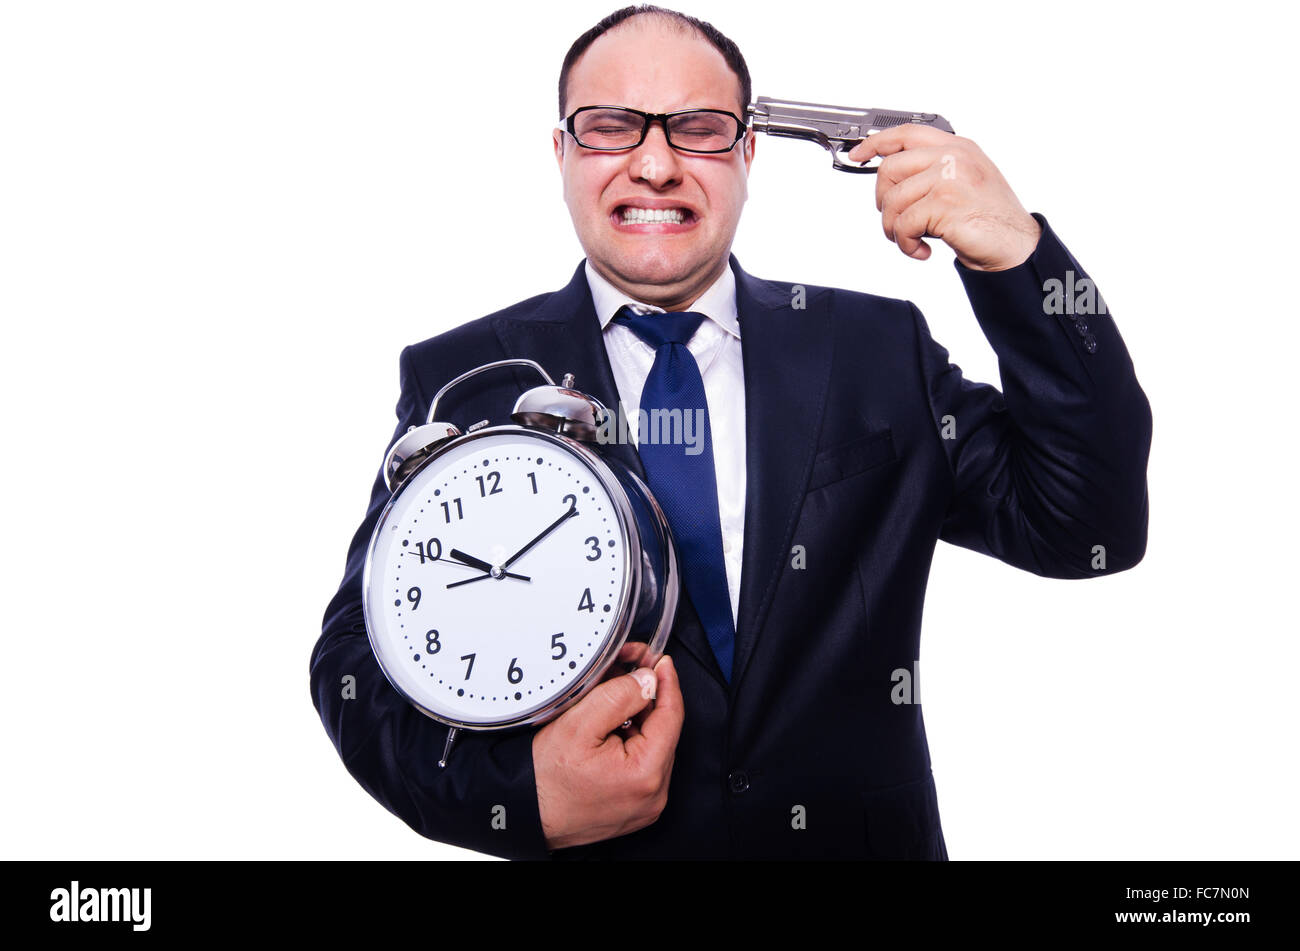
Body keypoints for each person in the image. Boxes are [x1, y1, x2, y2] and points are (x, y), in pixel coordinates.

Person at [309, 4, 1151, 860]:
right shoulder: (466, 372)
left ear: (748, 154)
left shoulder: (874, 350)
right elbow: (355, 663)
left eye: (699, 130)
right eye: (610, 127)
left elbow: (1089, 523)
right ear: (560, 154)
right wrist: (524, 797)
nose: (655, 165)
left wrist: (1018, 257)